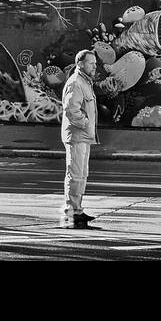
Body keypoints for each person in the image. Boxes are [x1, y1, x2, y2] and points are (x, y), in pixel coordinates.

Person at [61, 49, 99, 229]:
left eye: (95, 63)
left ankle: (77, 211)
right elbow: (71, 110)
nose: (95, 66)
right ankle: (72, 212)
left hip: (83, 136)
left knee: (82, 175)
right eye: (91, 63)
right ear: (80, 64)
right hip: (77, 136)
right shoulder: (76, 83)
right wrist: (85, 124)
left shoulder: (84, 82)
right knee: (75, 175)